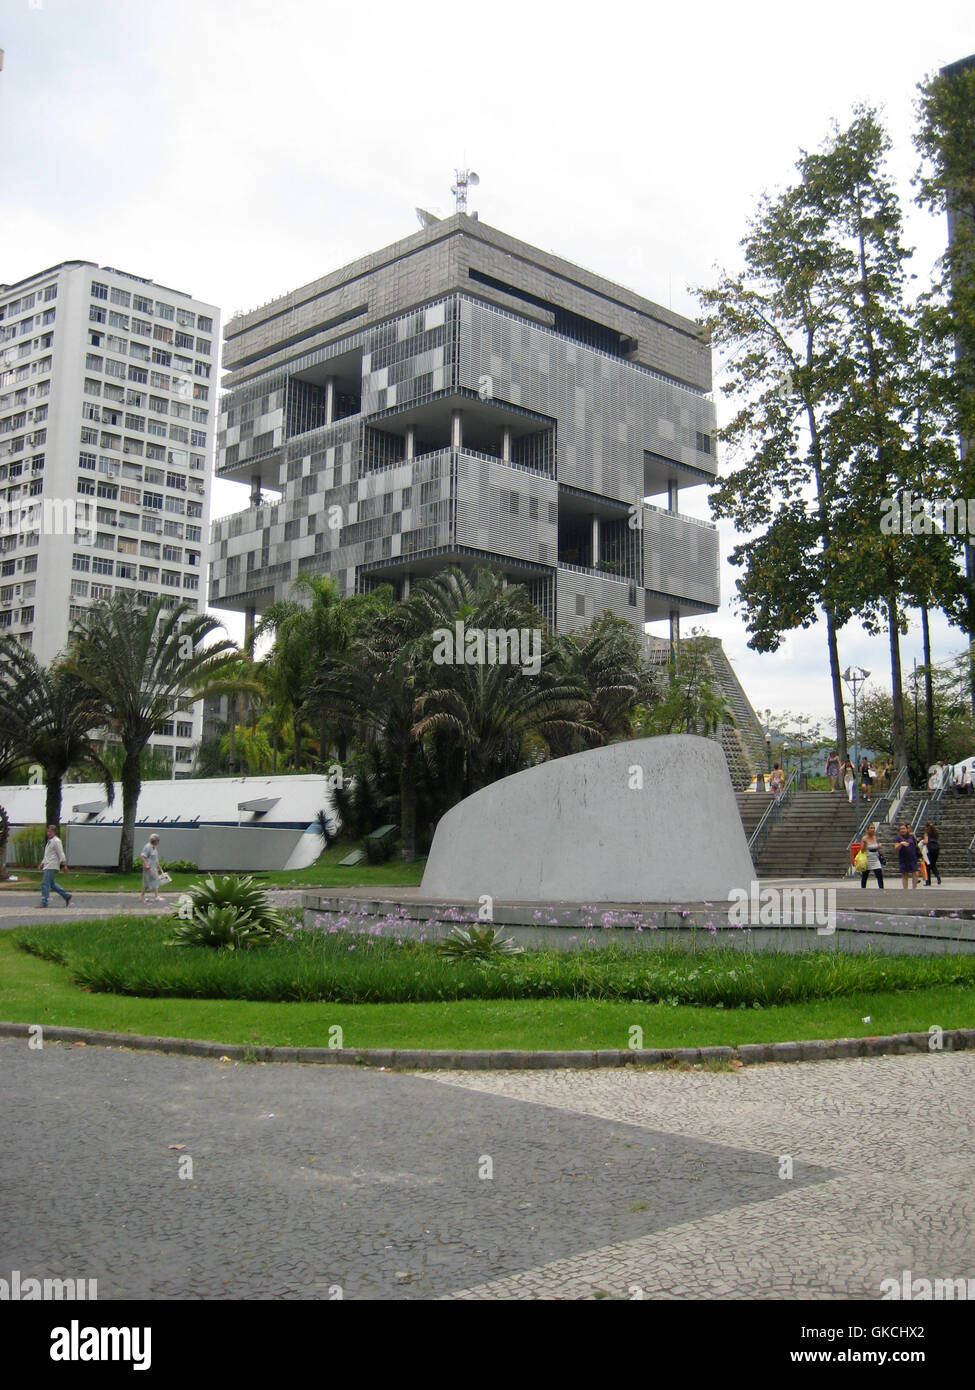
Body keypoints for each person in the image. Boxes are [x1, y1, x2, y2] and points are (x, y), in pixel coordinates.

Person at [38, 825, 72, 908]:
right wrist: (42, 863)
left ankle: (44, 902)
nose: (48, 833)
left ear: (54, 832)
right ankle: (66, 896)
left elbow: (61, 853)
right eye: (48, 831)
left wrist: (64, 865)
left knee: (45, 883)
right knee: (52, 884)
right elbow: (48, 855)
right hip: (48, 864)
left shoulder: (56, 841)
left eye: (50, 832)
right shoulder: (50, 841)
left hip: (52, 865)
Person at [894, 823, 920, 890]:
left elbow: (916, 846)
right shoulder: (898, 837)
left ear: (907, 829)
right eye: (901, 829)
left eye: (904, 828)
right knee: (905, 874)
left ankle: (914, 888)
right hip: (904, 858)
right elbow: (896, 847)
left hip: (913, 858)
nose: (903, 830)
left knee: (916, 873)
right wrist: (901, 844)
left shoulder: (911, 837)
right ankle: (905, 889)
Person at [140, 833, 164, 903]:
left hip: (153, 867)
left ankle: (156, 896)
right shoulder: (148, 847)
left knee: (155, 880)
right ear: (154, 840)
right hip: (148, 868)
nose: (159, 842)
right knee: (146, 882)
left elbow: (155, 859)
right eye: (158, 840)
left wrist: (159, 867)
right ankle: (142, 896)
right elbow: (142, 856)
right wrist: (146, 865)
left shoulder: (154, 847)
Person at [860, 823, 884, 889]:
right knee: (865, 876)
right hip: (867, 859)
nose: (873, 830)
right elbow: (862, 850)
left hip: (875, 858)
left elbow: (876, 846)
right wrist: (865, 844)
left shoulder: (875, 837)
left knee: (879, 874)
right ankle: (863, 889)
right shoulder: (864, 838)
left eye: (873, 828)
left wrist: (879, 846)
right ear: (867, 829)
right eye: (871, 828)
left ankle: (881, 889)